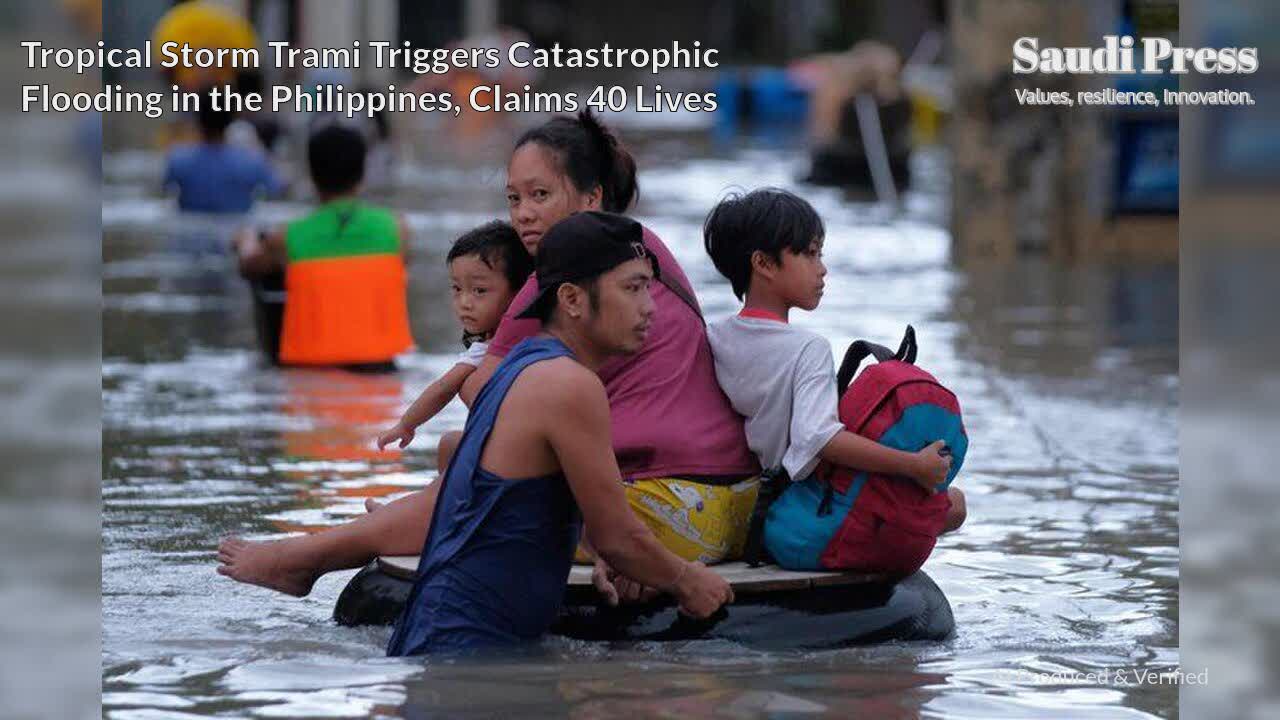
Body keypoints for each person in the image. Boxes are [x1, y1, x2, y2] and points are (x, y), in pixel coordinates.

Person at [213, 111, 757, 602]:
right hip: (727, 497)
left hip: (679, 503)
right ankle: (382, 527)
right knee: (458, 460)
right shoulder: (646, 246)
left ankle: (311, 556)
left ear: (591, 199)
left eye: (541, 196)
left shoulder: (559, 280)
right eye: (514, 199)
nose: (523, 216)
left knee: (469, 472)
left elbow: (494, 410)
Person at [701, 188, 966, 567]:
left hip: (746, 493)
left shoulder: (714, 336)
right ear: (764, 264)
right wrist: (913, 466)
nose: (822, 268)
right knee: (955, 505)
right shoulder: (807, 348)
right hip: (797, 505)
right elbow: (819, 438)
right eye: (809, 254)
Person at [235, 124, 414, 371]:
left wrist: (245, 241)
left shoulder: (288, 237)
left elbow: (249, 267)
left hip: (308, 374)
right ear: (362, 172)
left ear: (311, 174)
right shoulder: (396, 230)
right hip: (381, 373)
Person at [375, 222, 532, 471]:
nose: (464, 302)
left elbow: (443, 388)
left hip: (516, 457)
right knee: (450, 443)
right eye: (457, 289)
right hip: (517, 451)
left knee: (450, 443)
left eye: (479, 291)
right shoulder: (520, 337)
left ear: (519, 292)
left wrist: (406, 425)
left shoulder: (490, 348)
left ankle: (440, 506)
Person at [162, 97, 285, 214]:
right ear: (231, 120)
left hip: (188, 233)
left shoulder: (179, 160)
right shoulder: (252, 162)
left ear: (198, 119)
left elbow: (164, 190)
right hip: (236, 232)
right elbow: (275, 190)